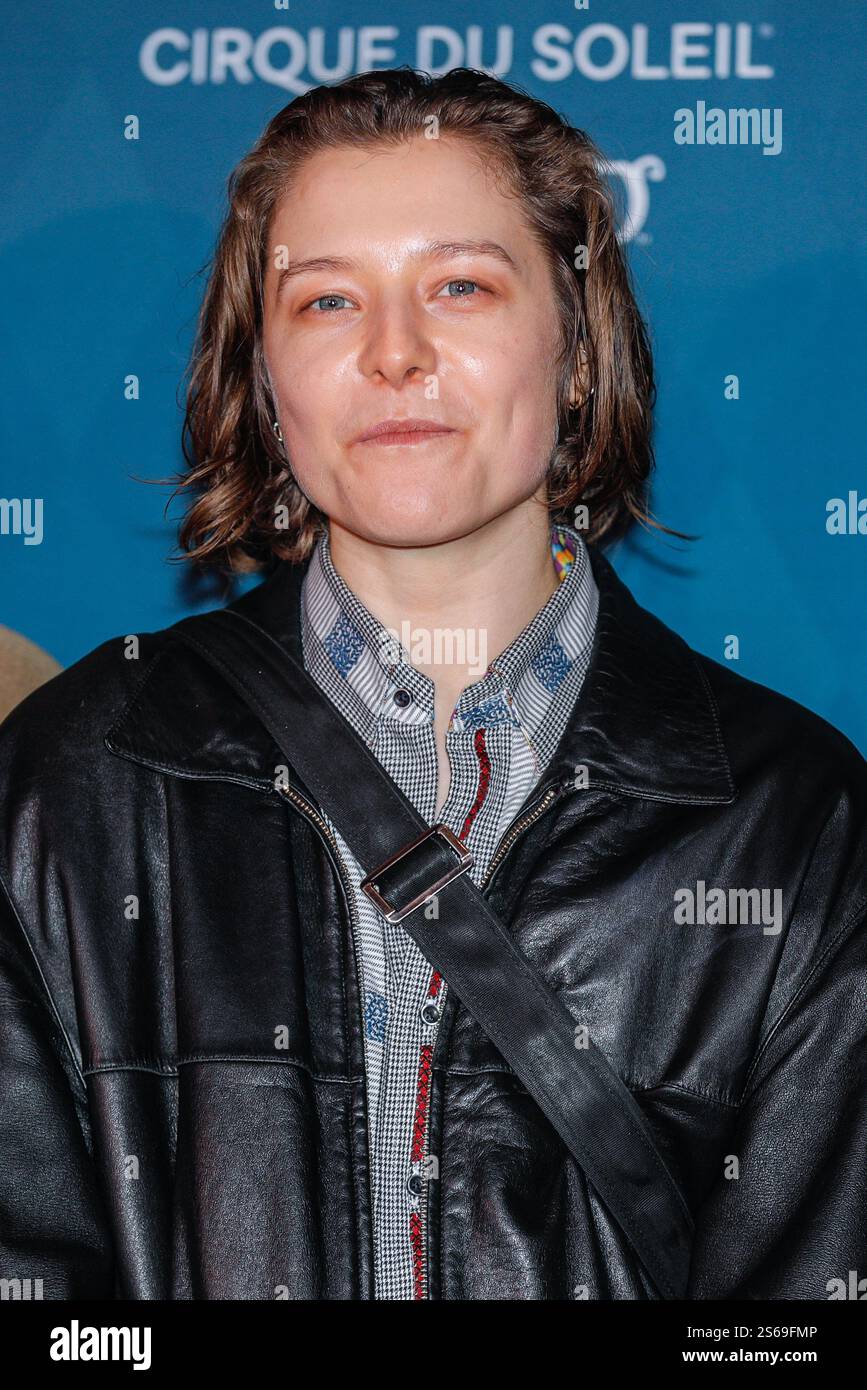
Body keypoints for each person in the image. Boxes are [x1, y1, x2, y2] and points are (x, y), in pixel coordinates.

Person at [0, 67, 865, 1302]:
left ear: (575, 349)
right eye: (327, 301)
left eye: (460, 286)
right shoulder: (71, 781)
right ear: (264, 384)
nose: (393, 353)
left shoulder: (797, 822)